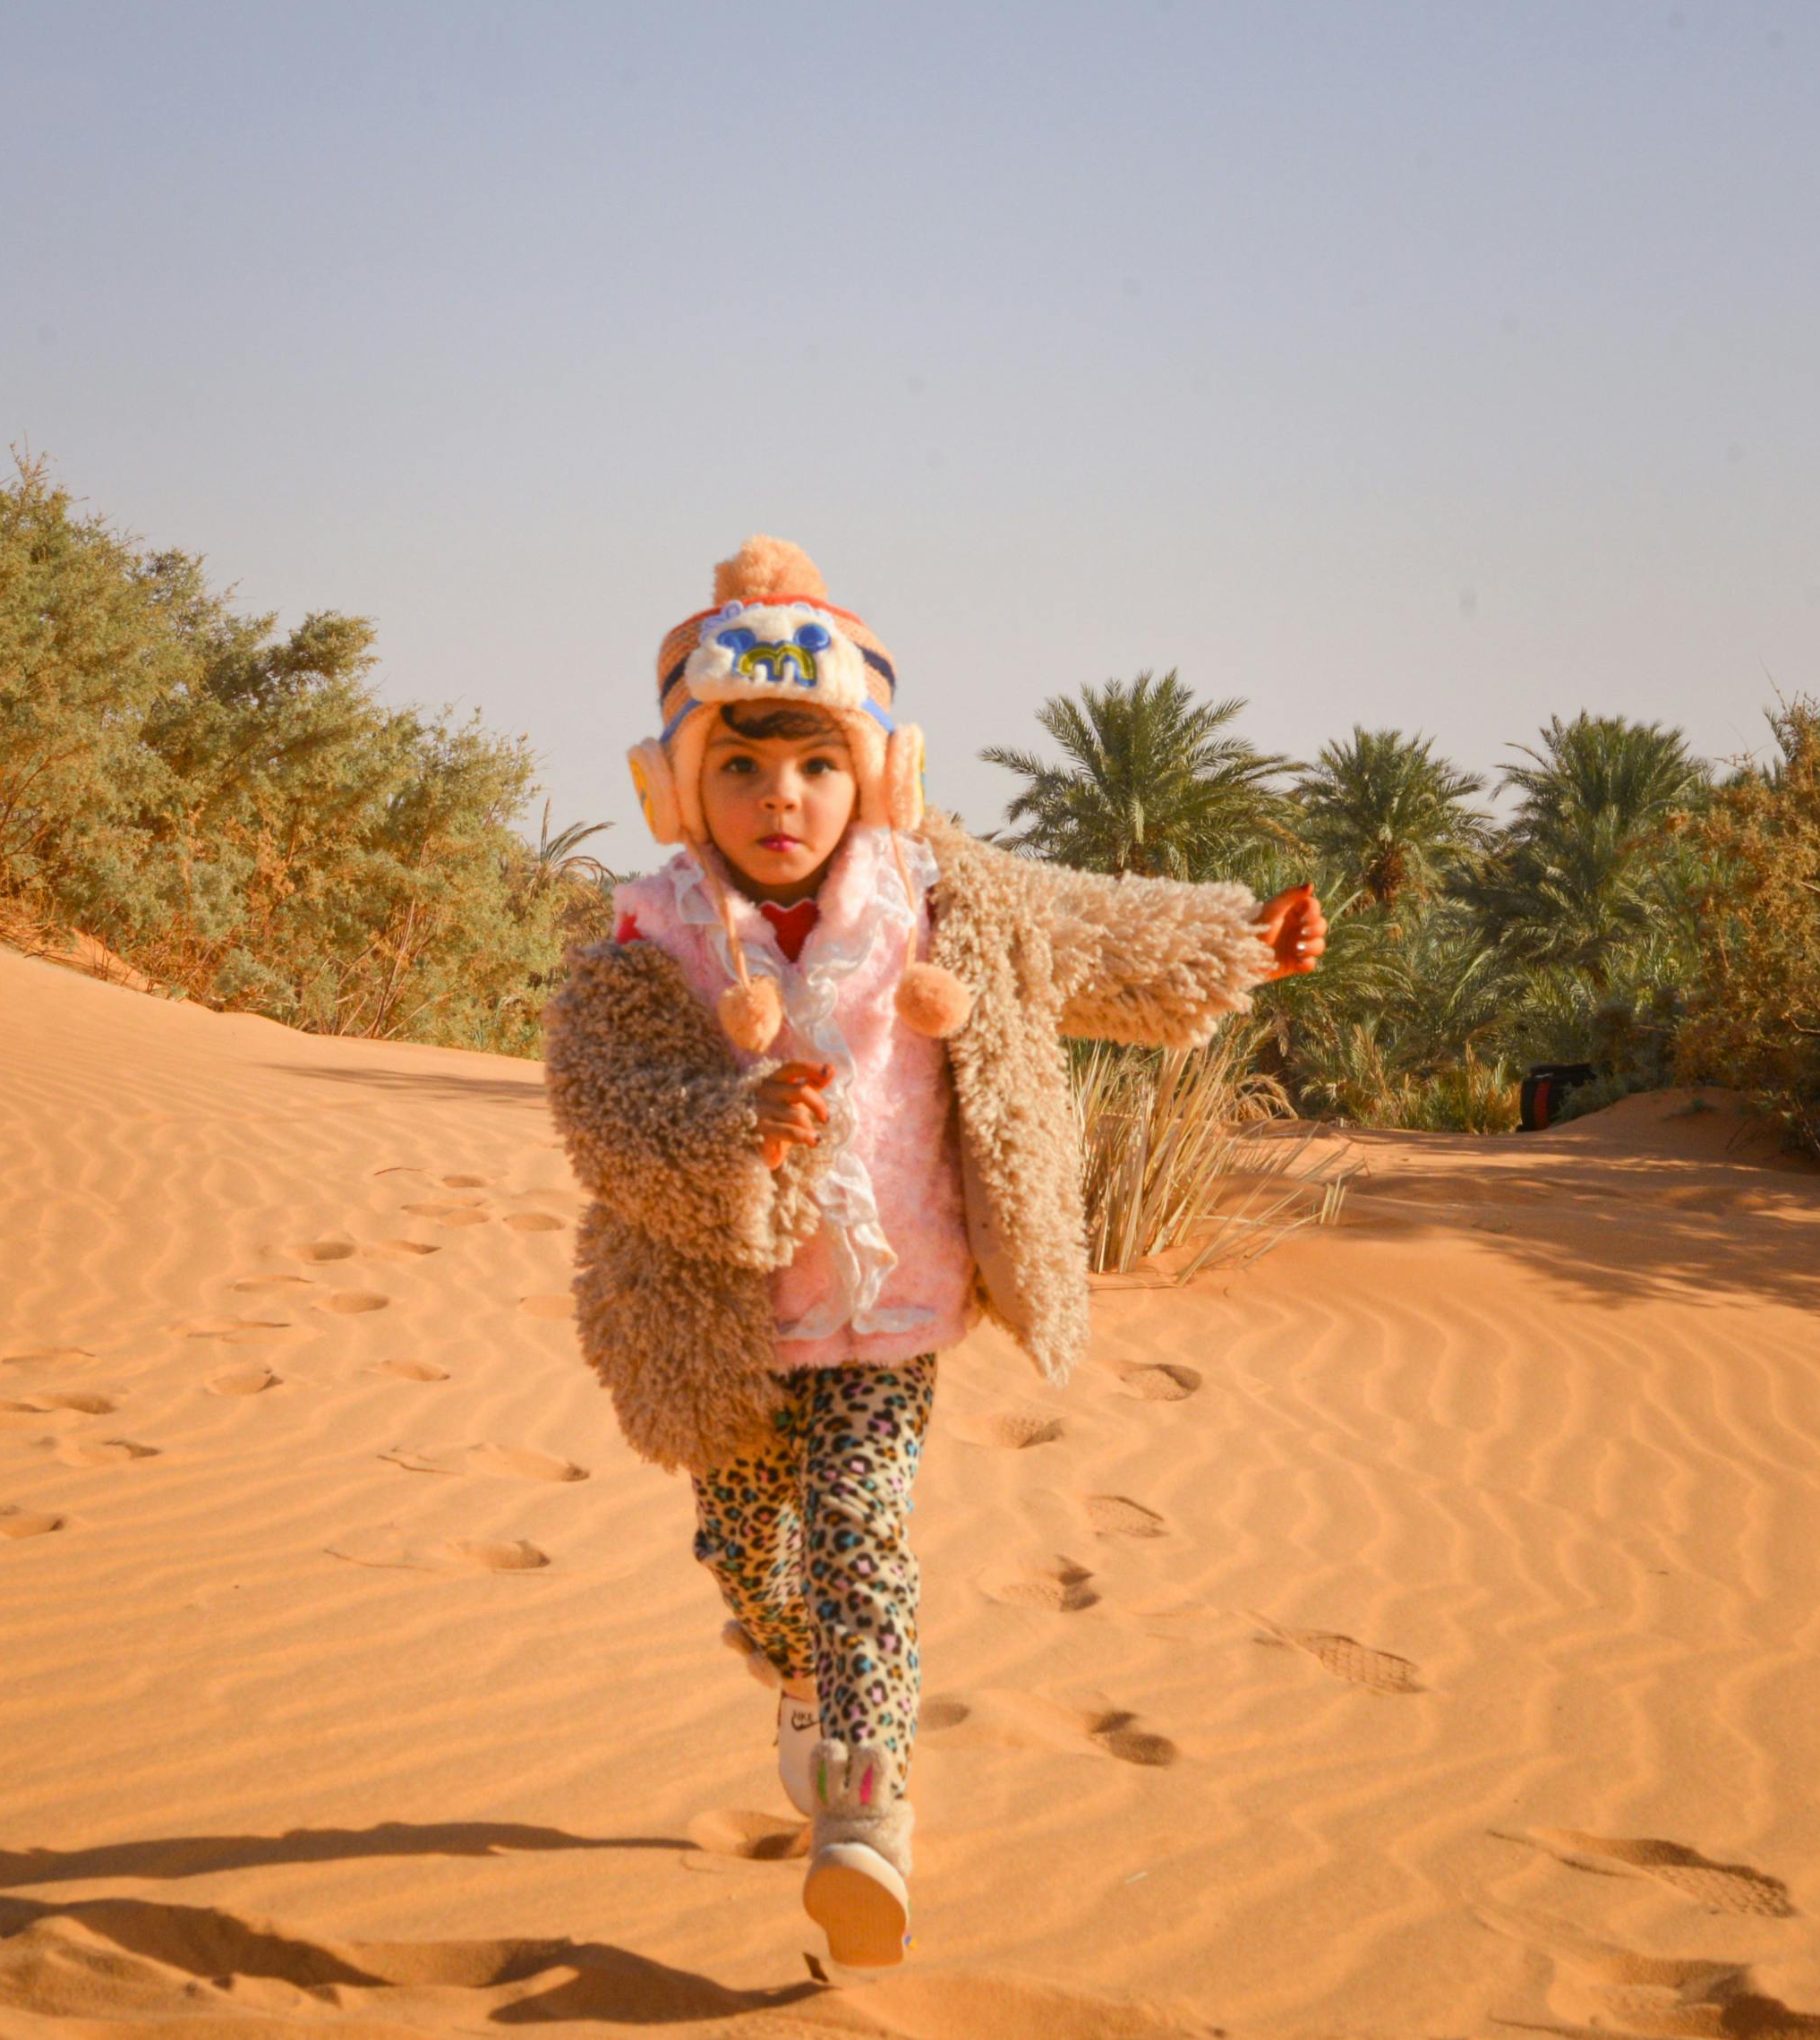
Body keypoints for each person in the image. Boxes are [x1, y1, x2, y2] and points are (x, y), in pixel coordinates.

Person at [542, 536, 1324, 1967]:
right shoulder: (644, 944)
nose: (781, 799)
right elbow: (606, 1113)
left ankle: (866, 1816)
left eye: (815, 766)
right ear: (681, 785)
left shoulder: (941, 894)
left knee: (860, 1535)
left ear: (874, 775)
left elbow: (1095, 930)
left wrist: (1244, 939)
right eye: (741, 767)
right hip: (724, 1318)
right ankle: (797, 1671)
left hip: (890, 1308)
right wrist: (731, 1122)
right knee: (747, 1555)